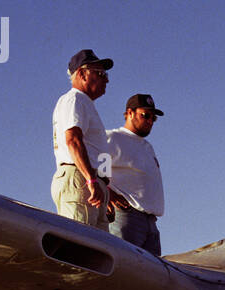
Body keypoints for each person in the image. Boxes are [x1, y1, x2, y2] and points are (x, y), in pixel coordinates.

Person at [51, 49, 114, 228]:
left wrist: (104, 188)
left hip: (90, 182)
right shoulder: (74, 100)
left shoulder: (84, 103)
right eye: (100, 73)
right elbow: (73, 140)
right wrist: (91, 180)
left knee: (97, 251)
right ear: (81, 74)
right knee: (81, 249)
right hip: (81, 179)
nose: (106, 79)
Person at [106, 94, 166, 256]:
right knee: (123, 269)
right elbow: (96, 168)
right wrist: (108, 193)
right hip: (126, 216)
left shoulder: (148, 147)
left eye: (154, 118)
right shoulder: (112, 138)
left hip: (151, 222)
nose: (150, 121)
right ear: (129, 113)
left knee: (151, 277)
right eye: (145, 115)